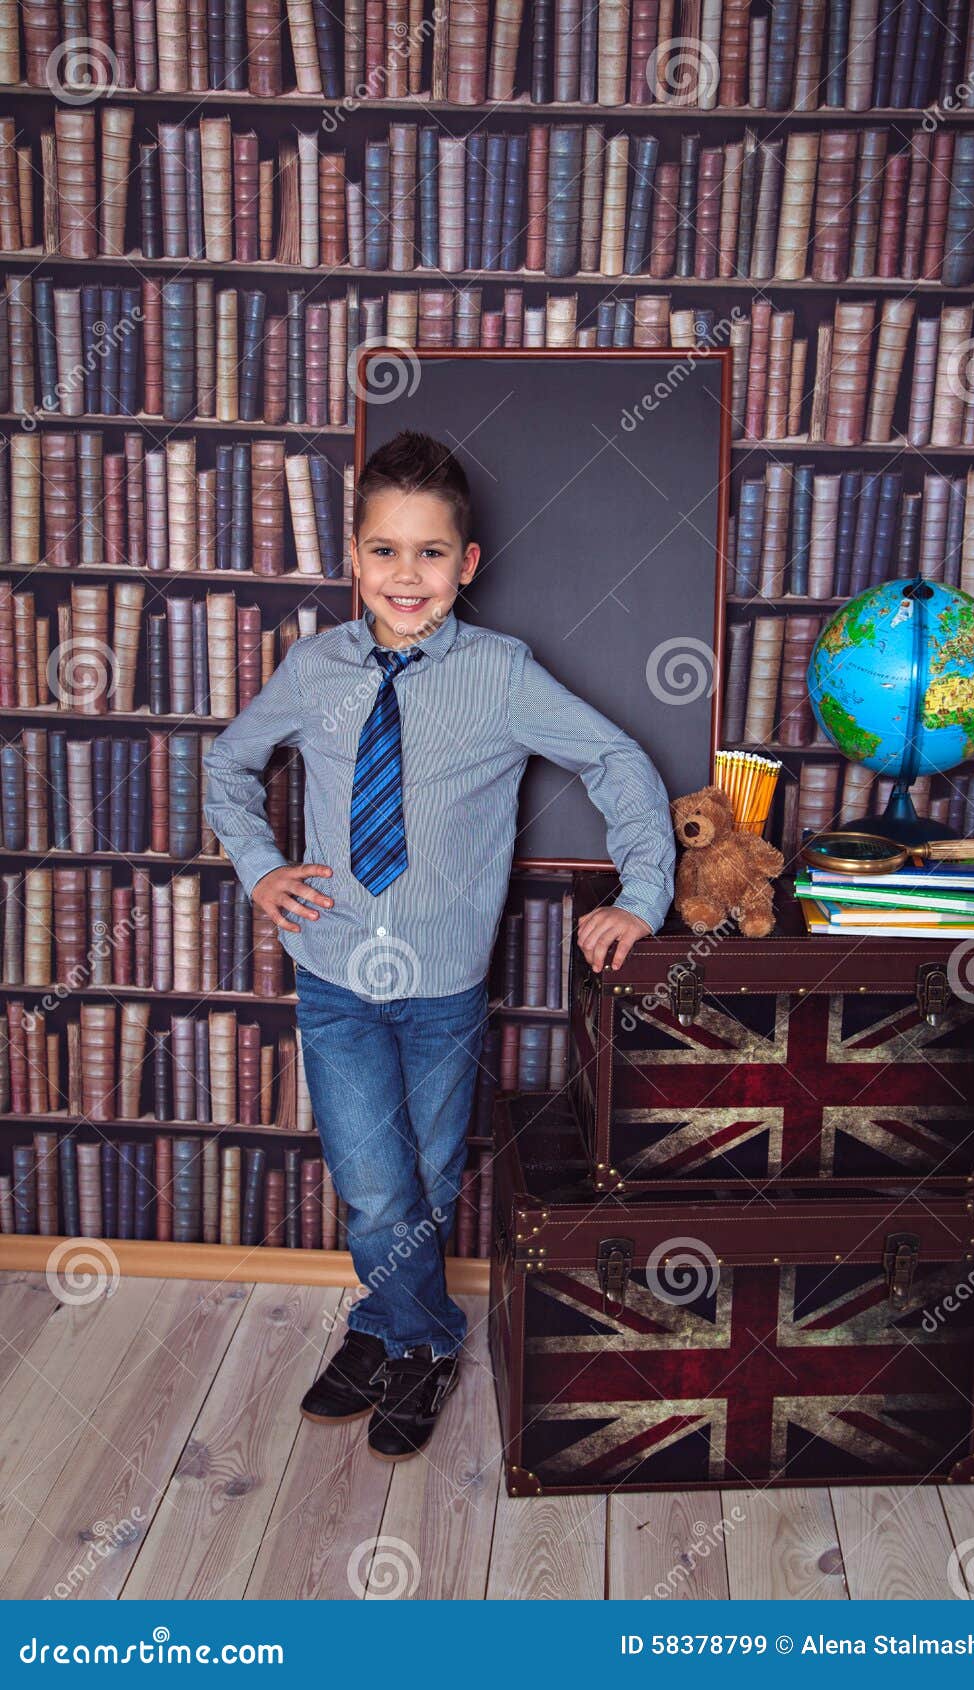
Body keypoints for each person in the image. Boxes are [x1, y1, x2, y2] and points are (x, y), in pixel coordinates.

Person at [203, 430, 676, 1461]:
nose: (403, 576)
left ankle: (383, 1325)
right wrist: (259, 865)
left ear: (465, 564)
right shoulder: (314, 666)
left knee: (419, 1178)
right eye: (383, 551)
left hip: (443, 987)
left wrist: (642, 894)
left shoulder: (502, 675)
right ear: (355, 557)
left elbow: (617, 759)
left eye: (428, 554)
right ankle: (418, 1338)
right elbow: (228, 766)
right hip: (331, 974)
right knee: (372, 1181)